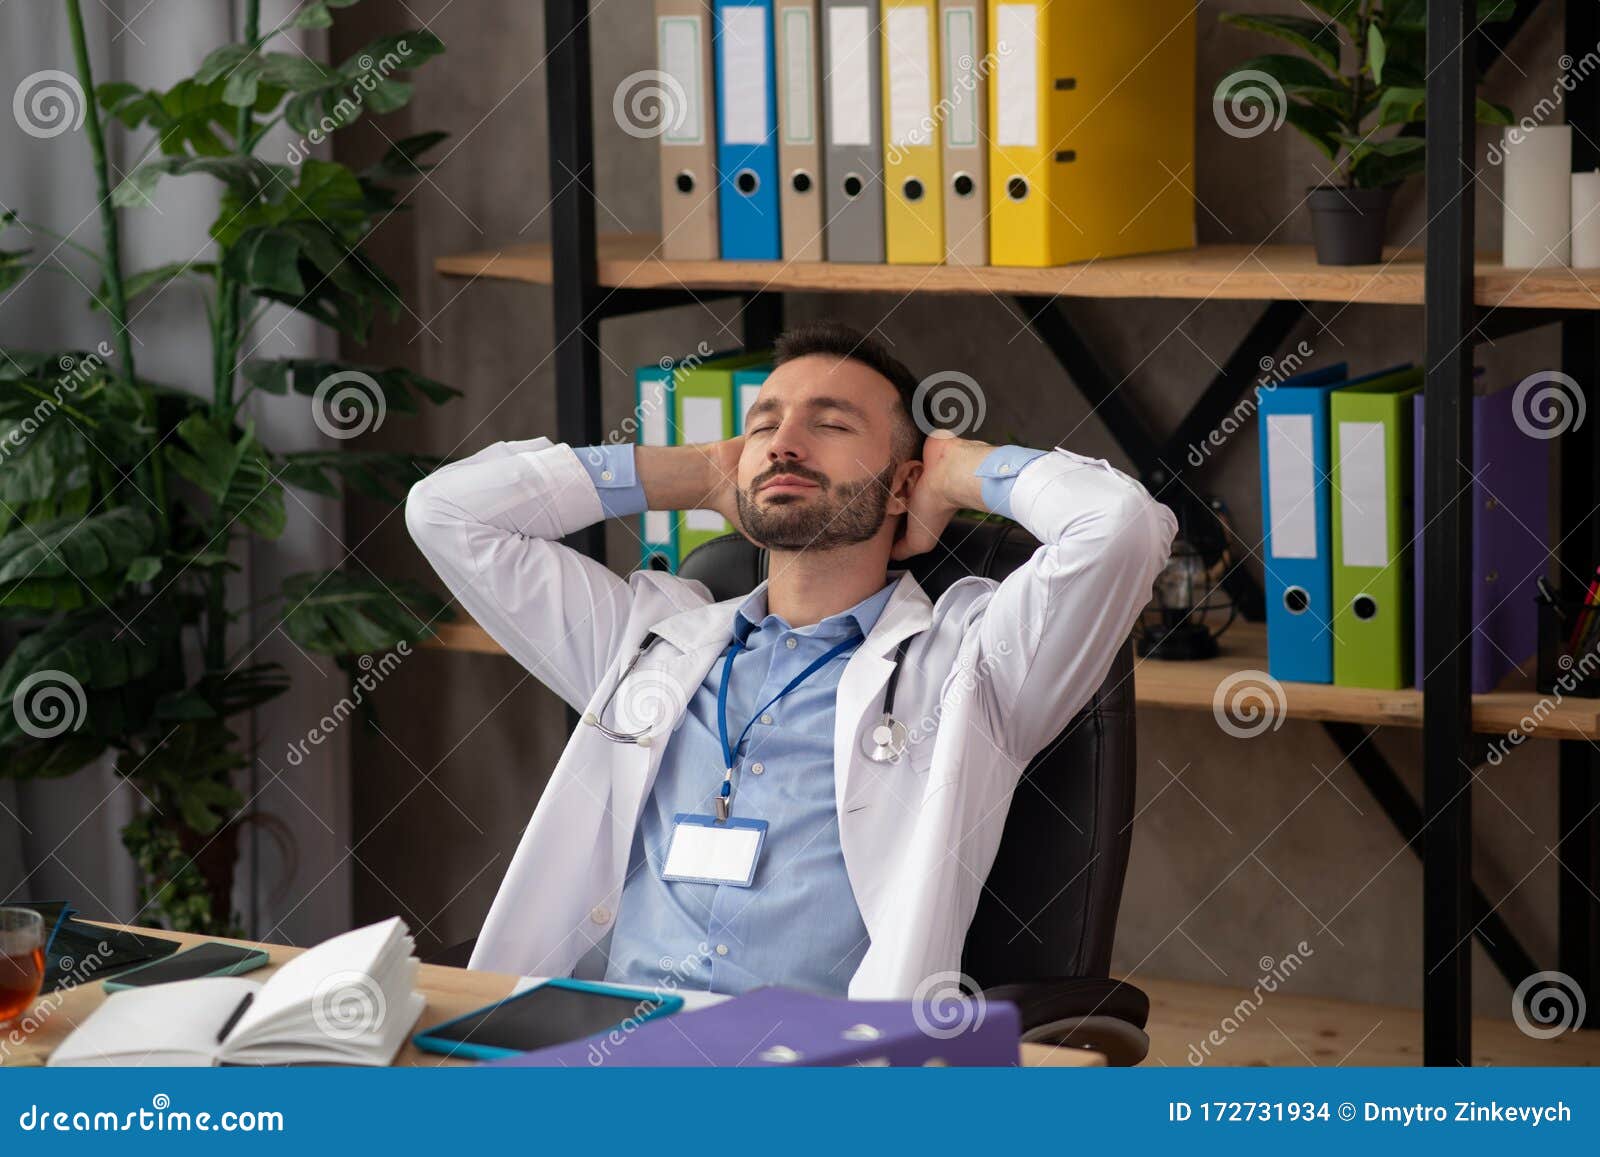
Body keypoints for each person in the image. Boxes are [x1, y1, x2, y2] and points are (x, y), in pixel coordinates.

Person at [405, 320, 1177, 998]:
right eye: (763, 425)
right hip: (610, 1052)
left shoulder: (971, 669)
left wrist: (957, 468)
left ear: (904, 484)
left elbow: (1121, 526)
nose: (784, 443)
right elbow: (444, 512)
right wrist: (697, 471)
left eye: (831, 423)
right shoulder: (647, 641)